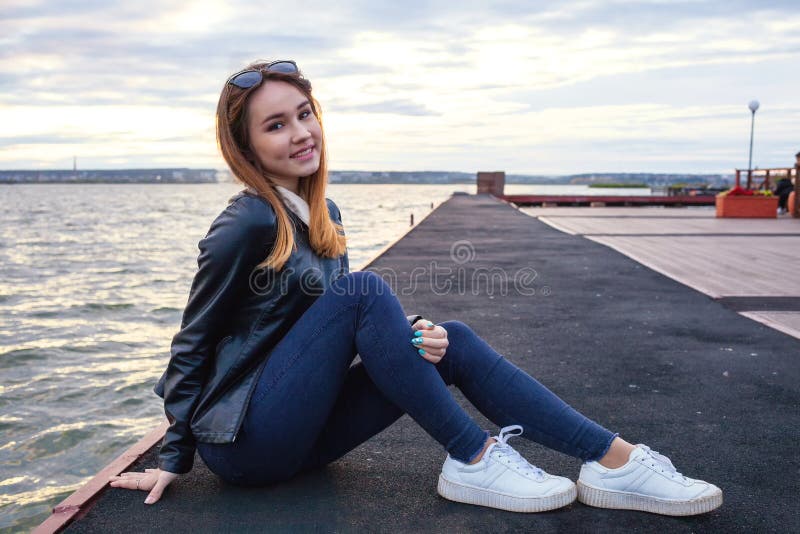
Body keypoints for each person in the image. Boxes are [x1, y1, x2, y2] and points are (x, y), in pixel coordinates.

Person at [109, 60, 723, 516]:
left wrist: (408, 341)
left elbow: (323, 338)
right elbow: (193, 343)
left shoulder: (326, 217)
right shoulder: (246, 221)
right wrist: (172, 458)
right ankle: (473, 457)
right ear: (246, 146)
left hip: (304, 432)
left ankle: (614, 461)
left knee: (445, 337)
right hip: (246, 446)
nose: (300, 132)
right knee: (367, 292)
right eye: (276, 125)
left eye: (305, 114)